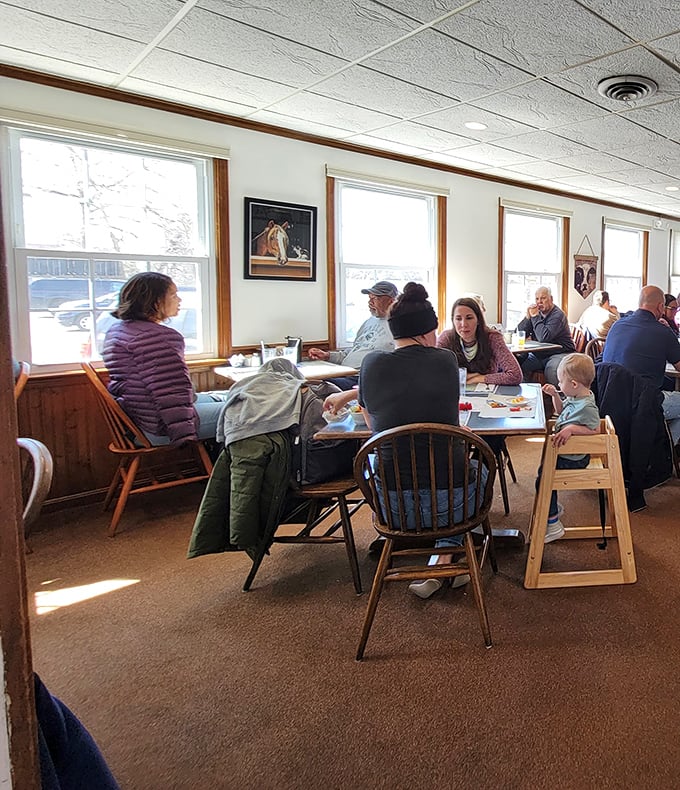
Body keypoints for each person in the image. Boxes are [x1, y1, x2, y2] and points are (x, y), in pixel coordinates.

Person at [354, 282, 488, 599]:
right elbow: (447, 422)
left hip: (393, 507)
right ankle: (447, 555)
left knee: (385, 461)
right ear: (429, 330)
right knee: (477, 469)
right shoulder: (445, 361)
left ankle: (444, 557)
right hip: (452, 505)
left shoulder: (371, 364)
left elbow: (375, 428)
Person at [102, 272, 227, 445]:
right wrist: (184, 435)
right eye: (174, 295)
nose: (179, 300)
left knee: (235, 395)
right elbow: (171, 391)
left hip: (138, 418)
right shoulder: (159, 338)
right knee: (256, 410)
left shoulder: (119, 330)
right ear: (155, 301)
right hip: (160, 426)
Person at [602, 285, 680, 446]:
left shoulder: (617, 325)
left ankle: (658, 446)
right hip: (643, 402)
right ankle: (665, 450)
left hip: (610, 399)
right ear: (660, 307)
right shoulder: (663, 332)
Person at [537, 354, 600, 542]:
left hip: (575, 458)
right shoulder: (575, 397)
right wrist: (556, 395)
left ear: (573, 384)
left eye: (560, 381)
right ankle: (553, 508)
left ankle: (553, 522)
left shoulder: (587, 406)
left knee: (543, 478)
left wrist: (572, 429)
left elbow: (595, 430)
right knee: (543, 471)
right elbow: (560, 412)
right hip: (566, 453)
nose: (558, 383)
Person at [307, 280, 398, 389]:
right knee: (296, 379)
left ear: (391, 301)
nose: (370, 303)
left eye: (375, 299)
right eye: (369, 298)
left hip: (362, 378)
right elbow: (355, 349)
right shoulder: (369, 322)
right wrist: (327, 356)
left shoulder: (398, 325)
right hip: (342, 372)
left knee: (314, 387)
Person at [437, 296, 522, 386]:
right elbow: (431, 370)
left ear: (478, 320)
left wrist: (479, 378)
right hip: (454, 394)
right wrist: (467, 376)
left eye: (469, 318)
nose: (463, 324)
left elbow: (515, 375)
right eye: (458, 319)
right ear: (453, 321)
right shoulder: (446, 337)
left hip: (489, 396)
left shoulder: (493, 338)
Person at [516, 286, 574, 379]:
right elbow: (519, 333)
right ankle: (532, 392)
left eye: (543, 298)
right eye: (537, 299)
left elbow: (544, 337)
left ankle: (555, 393)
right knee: (517, 367)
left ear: (551, 299)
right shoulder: (537, 314)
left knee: (551, 370)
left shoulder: (558, 315)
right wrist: (527, 318)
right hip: (540, 354)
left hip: (560, 353)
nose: (539, 302)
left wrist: (535, 317)